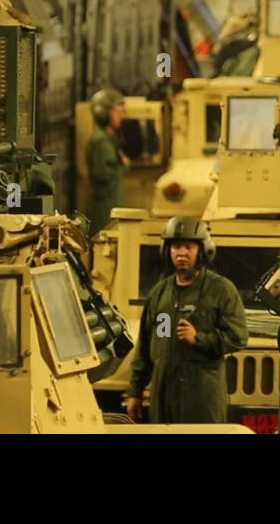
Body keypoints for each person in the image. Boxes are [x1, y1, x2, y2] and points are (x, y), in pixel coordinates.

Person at [125, 217, 248, 423]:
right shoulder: (159, 294)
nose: (182, 253)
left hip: (201, 392)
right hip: (163, 390)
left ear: (202, 250)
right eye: (176, 246)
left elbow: (238, 337)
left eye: (189, 246)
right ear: (167, 250)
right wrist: (135, 392)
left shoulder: (221, 290)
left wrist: (199, 339)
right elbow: (146, 347)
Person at [84, 88, 128, 237]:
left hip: (110, 202)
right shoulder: (101, 141)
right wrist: (124, 165)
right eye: (117, 111)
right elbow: (103, 174)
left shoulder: (109, 139)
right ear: (104, 114)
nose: (121, 115)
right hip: (103, 206)